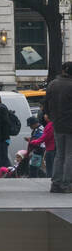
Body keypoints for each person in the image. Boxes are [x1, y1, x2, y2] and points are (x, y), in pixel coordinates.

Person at [45, 63, 72, 193]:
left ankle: (55, 183)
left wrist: (51, 116)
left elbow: (46, 103)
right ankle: (67, 184)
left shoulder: (53, 84)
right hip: (70, 125)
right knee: (69, 155)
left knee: (59, 155)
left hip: (57, 124)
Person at [0, 94, 14, 177]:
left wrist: (1, 137)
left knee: (3, 158)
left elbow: (5, 124)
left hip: (1, 139)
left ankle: (10, 174)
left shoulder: (1, 108)